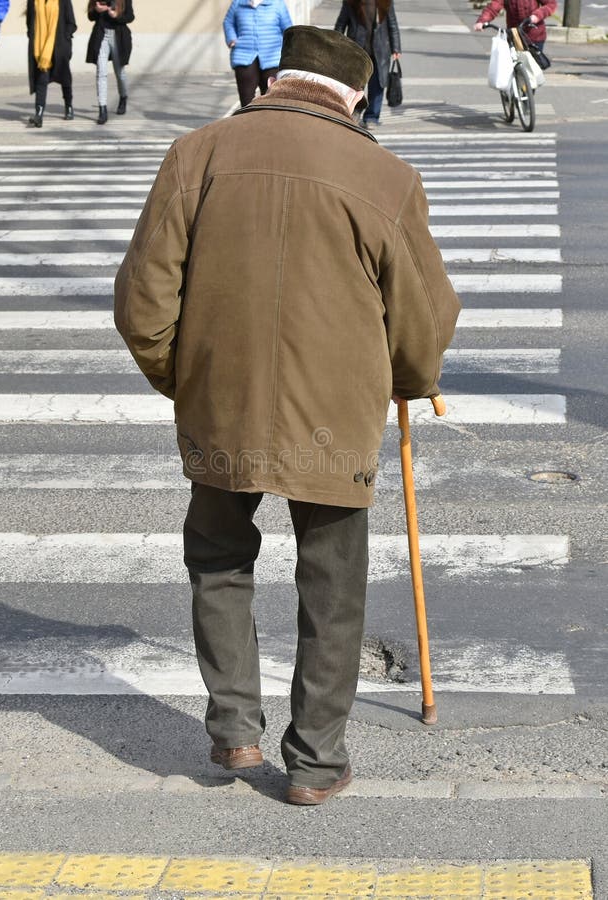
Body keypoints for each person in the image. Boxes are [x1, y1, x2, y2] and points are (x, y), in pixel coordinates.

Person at [115, 25, 460, 806]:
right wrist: (410, 378)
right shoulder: (385, 176)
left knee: (217, 559)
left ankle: (234, 728)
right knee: (332, 587)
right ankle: (312, 763)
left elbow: (142, 305)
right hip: (334, 412)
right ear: (355, 98)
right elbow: (421, 322)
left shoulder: (194, 155)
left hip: (219, 401)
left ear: (276, 78)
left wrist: (188, 380)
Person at [335, 0, 400, 129]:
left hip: (380, 51)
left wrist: (396, 48)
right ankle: (354, 113)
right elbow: (341, 24)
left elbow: (392, 24)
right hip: (357, 50)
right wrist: (336, 45)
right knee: (355, 86)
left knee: (377, 86)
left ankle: (372, 117)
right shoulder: (350, 3)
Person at [223, 0, 292, 108]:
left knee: (270, 99)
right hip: (243, 55)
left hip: (272, 58)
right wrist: (231, 38)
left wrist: (288, 50)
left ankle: (268, 124)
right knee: (246, 101)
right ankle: (248, 123)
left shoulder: (278, 4)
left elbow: (288, 29)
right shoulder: (238, 3)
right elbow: (228, 22)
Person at [26, 0, 76, 127]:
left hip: (59, 45)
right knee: (41, 80)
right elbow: (30, 22)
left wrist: (65, 37)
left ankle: (68, 106)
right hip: (41, 47)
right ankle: (39, 114)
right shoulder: (33, 1)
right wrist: (33, 37)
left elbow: (71, 23)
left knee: (65, 78)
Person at [86, 0, 135, 126]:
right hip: (101, 35)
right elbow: (90, 16)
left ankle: (123, 97)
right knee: (101, 73)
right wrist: (97, 11)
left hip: (118, 36)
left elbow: (130, 16)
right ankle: (102, 109)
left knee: (120, 73)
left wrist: (116, 16)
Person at [474, 0, 557, 50]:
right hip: (514, 35)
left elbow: (551, 4)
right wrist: (482, 21)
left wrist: (537, 16)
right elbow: (494, 6)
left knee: (533, 70)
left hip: (534, 35)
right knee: (512, 68)